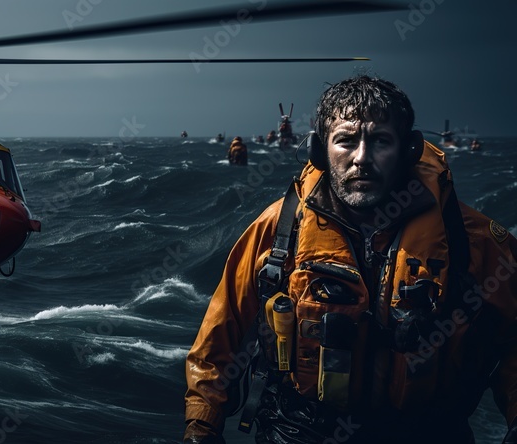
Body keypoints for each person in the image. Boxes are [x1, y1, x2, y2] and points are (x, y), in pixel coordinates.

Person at [183, 75, 517, 443]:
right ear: (319, 150)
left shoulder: (472, 239)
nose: (362, 158)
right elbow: (220, 337)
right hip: (299, 429)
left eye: (380, 141)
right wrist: (202, 423)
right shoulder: (279, 229)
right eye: (345, 140)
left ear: (408, 150)